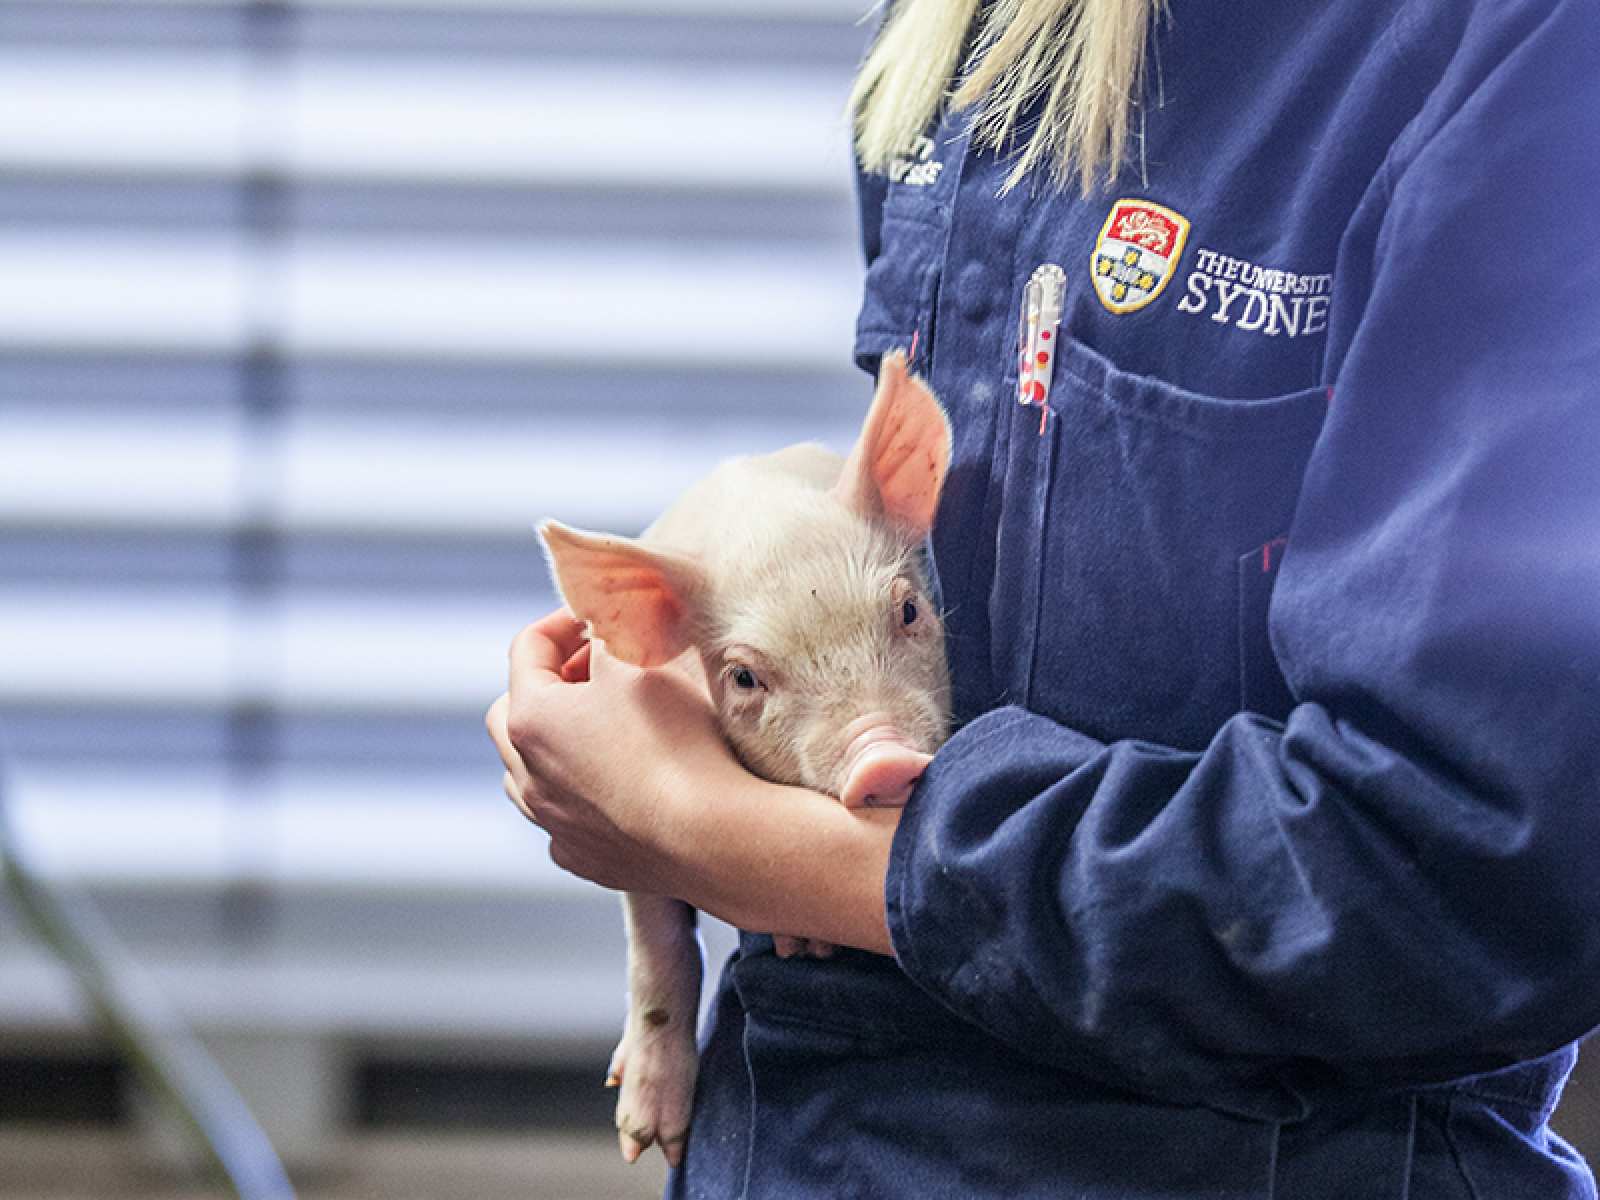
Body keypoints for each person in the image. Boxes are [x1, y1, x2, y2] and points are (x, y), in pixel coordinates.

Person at [487, 0, 1600, 1193]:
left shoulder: (1513, 51)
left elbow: (1468, 869)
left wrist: (723, 836)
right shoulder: (960, 31)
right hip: (800, 1144)